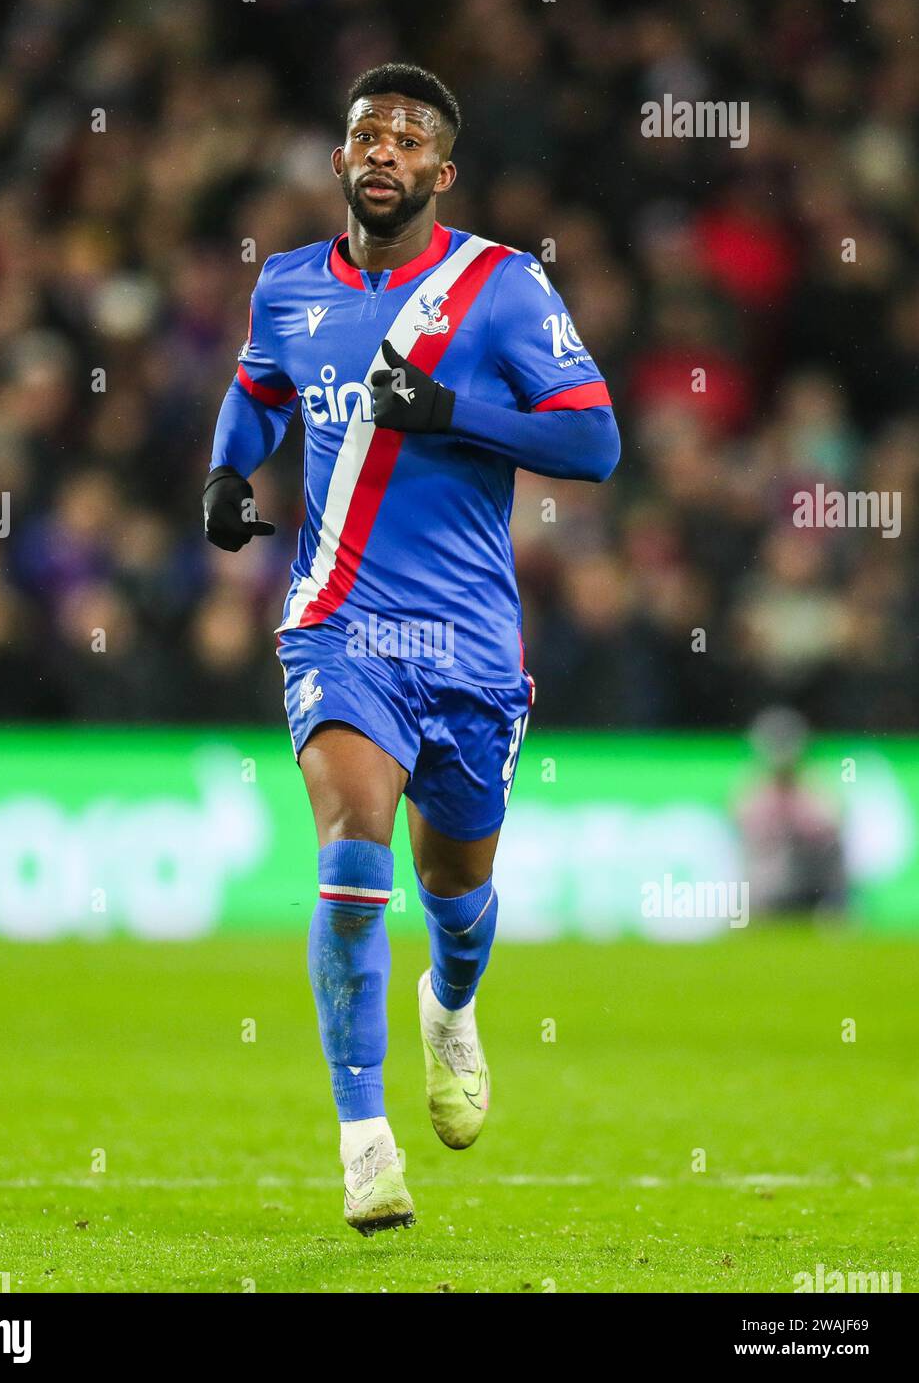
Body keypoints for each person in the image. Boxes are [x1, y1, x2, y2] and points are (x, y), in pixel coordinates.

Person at [203, 63, 619, 1234]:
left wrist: (451, 413)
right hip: (339, 625)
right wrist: (229, 468)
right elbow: (258, 391)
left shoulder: (499, 287)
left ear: (441, 171)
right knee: (349, 851)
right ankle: (363, 1140)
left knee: (456, 885)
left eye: (408, 139)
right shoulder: (287, 286)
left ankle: (449, 1004)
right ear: (339, 161)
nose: (383, 150)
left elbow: (593, 443)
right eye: (364, 134)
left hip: (471, 641)